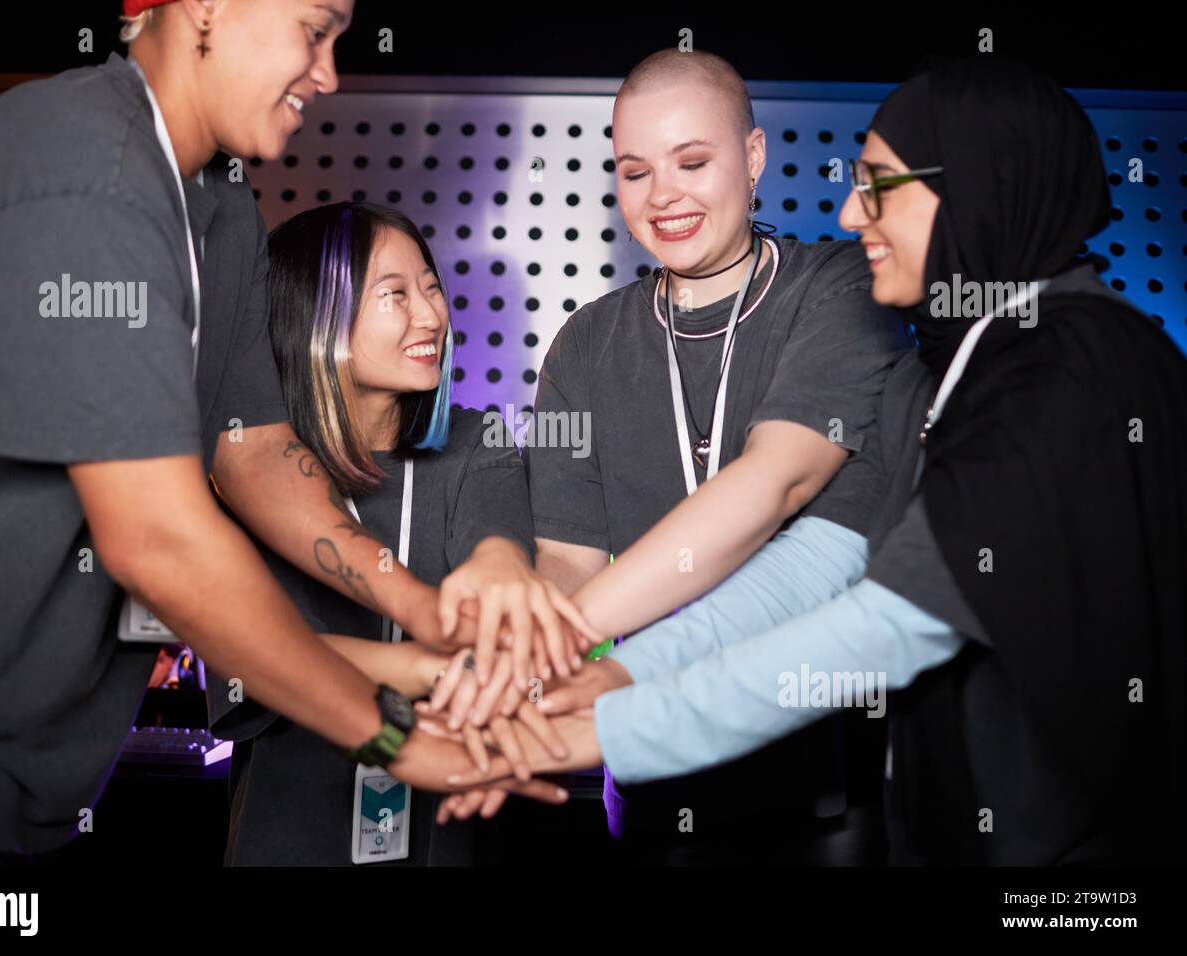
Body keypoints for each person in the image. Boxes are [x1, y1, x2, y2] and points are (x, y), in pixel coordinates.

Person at [435, 55, 1187, 866]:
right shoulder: (959, 364)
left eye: (879, 186)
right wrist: (606, 682)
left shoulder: (1068, 358)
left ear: (979, 182)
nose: (847, 211)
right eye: (634, 170)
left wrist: (603, 723)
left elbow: (898, 619)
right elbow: (825, 558)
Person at [0, 0, 559, 865]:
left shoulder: (221, 204)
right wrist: (401, 741)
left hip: (20, 771)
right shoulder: (84, 157)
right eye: (315, 29)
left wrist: (419, 605)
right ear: (207, 9)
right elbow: (157, 542)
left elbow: (253, 455)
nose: (329, 73)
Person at [460, 47, 911, 864]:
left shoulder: (840, 286)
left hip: (817, 771)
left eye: (692, 162)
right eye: (635, 172)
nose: (663, 196)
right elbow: (568, 557)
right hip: (649, 766)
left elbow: (779, 478)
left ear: (753, 156)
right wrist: (523, 664)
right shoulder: (587, 341)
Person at [207, 202, 570, 864]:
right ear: (315, 319)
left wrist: (501, 568)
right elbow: (256, 659)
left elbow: (498, 540)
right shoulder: (254, 476)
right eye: (395, 294)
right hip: (289, 832)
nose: (431, 315)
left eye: (431, 287)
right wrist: (434, 669)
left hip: (445, 831)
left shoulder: (474, 440)